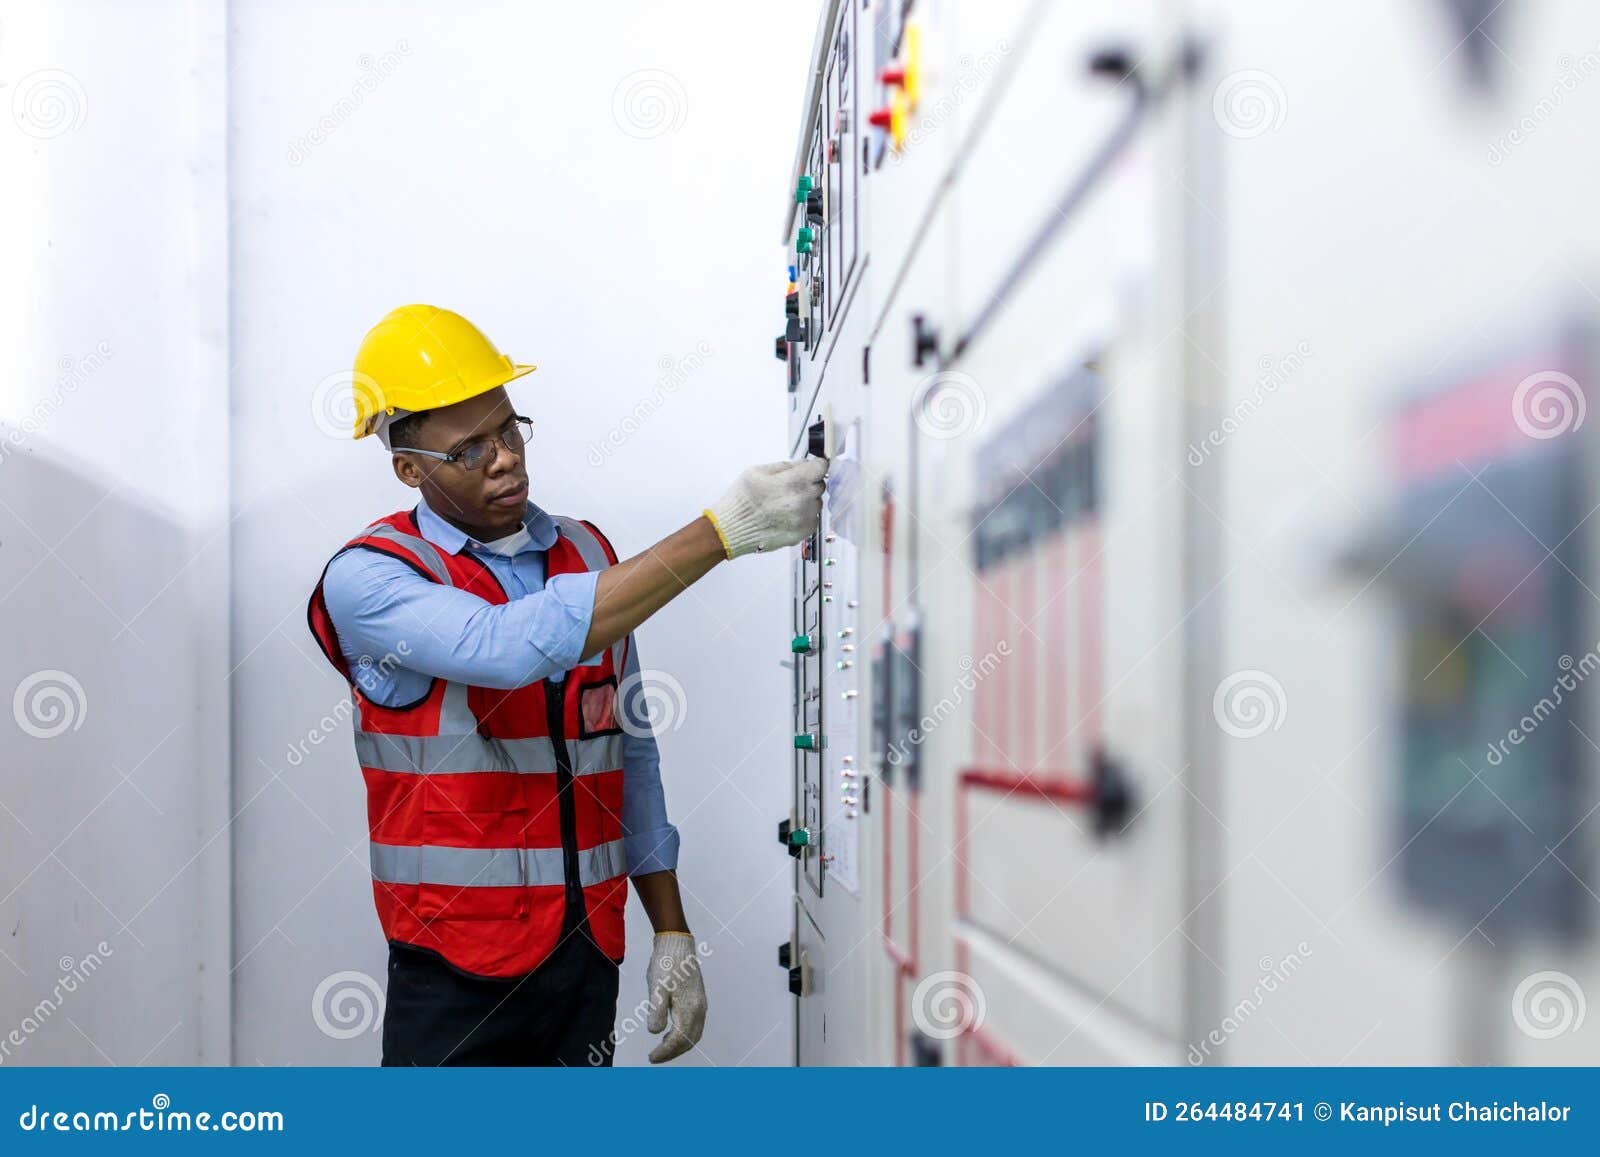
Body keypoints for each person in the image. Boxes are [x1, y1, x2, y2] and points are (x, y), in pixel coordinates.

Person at [306, 304, 825, 1065]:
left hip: (586, 958)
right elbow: (504, 645)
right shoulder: (371, 576)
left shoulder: (588, 553)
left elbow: (629, 752)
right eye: (469, 449)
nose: (505, 459)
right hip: (453, 972)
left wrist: (672, 929)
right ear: (410, 469)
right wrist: (722, 531)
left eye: (509, 429)